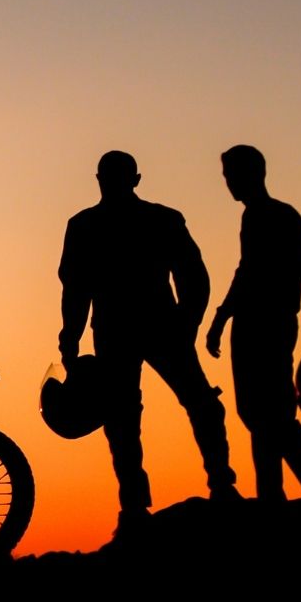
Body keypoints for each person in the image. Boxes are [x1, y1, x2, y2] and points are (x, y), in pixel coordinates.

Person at [59, 151, 240, 527]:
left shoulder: (88, 225)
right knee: (184, 406)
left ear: (99, 178)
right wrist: (186, 323)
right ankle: (212, 486)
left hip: (129, 327)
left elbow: (76, 290)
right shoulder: (158, 220)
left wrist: (71, 341)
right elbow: (195, 277)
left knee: (141, 414)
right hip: (147, 325)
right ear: (136, 179)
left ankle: (142, 504)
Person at [206, 145, 301, 503]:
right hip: (252, 325)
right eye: (226, 177)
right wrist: (223, 316)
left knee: (274, 418)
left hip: (269, 328)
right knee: (258, 415)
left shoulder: (279, 216)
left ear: (254, 174)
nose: (229, 183)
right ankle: (271, 495)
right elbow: (247, 271)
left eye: (232, 175)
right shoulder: (253, 217)